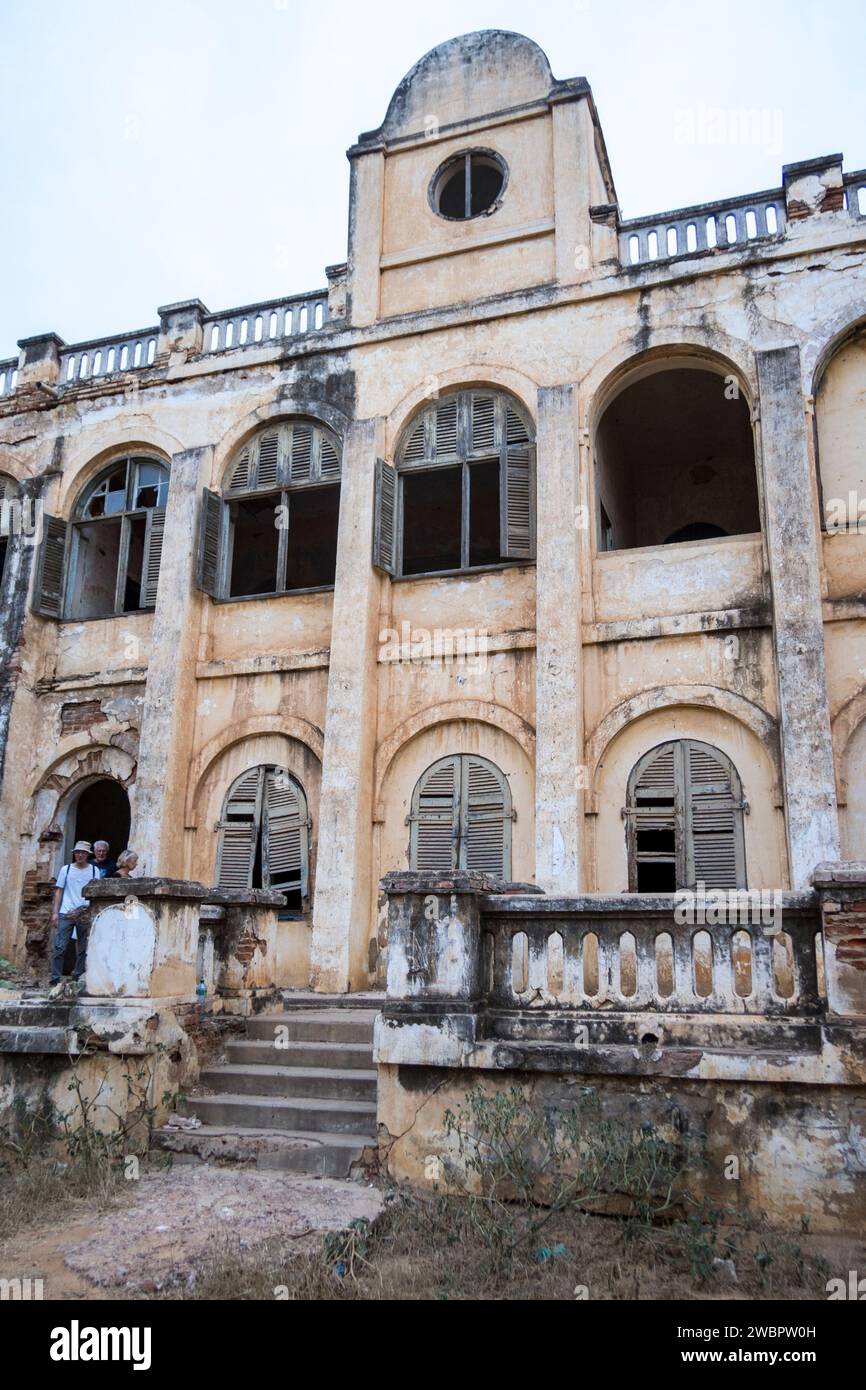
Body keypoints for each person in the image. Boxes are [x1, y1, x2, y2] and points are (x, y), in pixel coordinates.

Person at [49, 841, 99, 988]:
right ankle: (55, 978)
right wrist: (55, 913)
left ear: (88, 854)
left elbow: (96, 893)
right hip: (66, 912)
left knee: (83, 948)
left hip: (85, 913)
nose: (80, 855)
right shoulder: (67, 869)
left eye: (83, 852)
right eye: (77, 852)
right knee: (60, 947)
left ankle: (77, 976)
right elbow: (59, 891)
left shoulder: (94, 871)